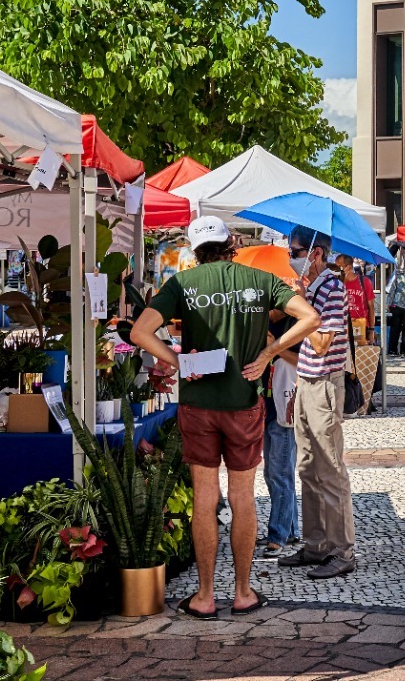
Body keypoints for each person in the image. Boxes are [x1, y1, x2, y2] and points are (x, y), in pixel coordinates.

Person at [130, 215, 320, 618]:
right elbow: (311, 319)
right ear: (230, 242)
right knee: (242, 497)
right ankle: (243, 592)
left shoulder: (181, 284)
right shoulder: (260, 280)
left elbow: (138, 332)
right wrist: (268, 353)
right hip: (244, 403)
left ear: (194, 249)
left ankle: (203, 596)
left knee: (204, 498)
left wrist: (177, 360)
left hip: (198, 404)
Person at [282, 227, 357, 579]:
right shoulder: (313, 289)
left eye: (294, 249)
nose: (289, 255)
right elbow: (306, 353)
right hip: (309, 382)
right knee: (307, 467)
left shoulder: (332, 288)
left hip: (326, 385)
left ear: (315, 253)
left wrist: (303, 308)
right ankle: (316, 544)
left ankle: (342, 550)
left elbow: (323, 343)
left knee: (329, 469)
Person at [259, 304, 302, 557]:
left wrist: (275, 346)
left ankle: (279, 534)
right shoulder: (263, 323)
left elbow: (302, 361)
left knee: (280, 472)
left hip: (284, 404)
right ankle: (290, 528)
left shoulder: (296, 326)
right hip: (267, 404)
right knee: (272, 472)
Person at [335, 254, 375, 346]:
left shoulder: (364, 282)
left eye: (339, 267)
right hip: (341, 326)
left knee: (359, 355)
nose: (336, 270)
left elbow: (371, 307)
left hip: (360, 325)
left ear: (348, 267)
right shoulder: (336, 284)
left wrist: (371, 330)